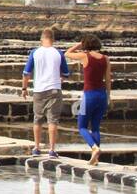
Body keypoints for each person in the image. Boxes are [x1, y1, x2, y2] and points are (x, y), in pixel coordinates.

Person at [21, 27, 69, 157]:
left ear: (41, 39)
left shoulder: (35, 53)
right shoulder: (59, 53)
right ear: (53, 39)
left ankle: (36, 148)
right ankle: (52, 150)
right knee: (52, 120)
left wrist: (24, 88)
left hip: (38, 90)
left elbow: (26, 73)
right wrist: (60, 79)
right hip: (54, 89)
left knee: (38, 120)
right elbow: (65, 73)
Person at [66, 33, 112, 165]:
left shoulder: (84, 56)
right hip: (102, 95)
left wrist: (79, 45)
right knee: (96, 127)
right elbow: (108, 80)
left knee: (81, 126)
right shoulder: (106, 58)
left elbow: (67, 53)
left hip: (89, 96)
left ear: (86, 45)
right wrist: (108, 96)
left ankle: (94, 147)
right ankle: (95, 158)